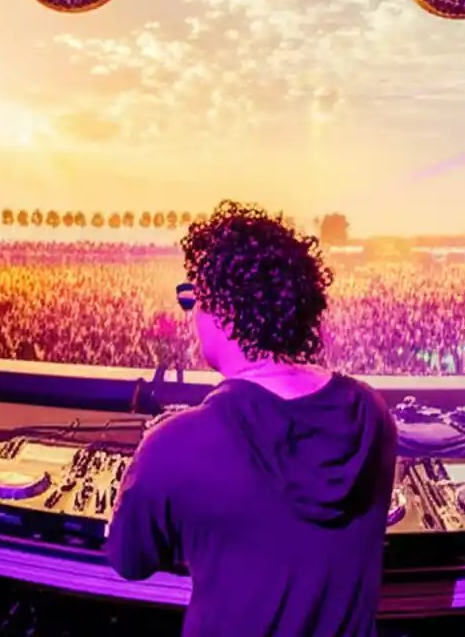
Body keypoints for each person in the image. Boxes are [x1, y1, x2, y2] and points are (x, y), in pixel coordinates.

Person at [106, 200, 398, 637]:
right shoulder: (371, 413)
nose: (191, 316)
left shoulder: (177, 445)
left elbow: (129, 560)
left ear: (222, 311)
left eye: (193, 298)